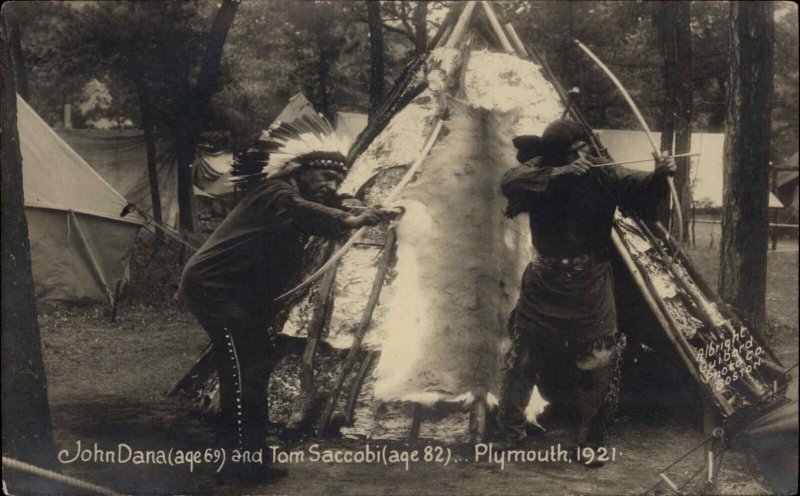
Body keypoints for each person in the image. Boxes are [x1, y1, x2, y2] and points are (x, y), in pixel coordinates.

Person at [179, 121, 387, 478]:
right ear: (297, 170)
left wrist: (349, 202)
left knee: (254, 366)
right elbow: (304, 209)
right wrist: (352, 217)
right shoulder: (276, 192)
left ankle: (244, 454)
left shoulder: (303, 196)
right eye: (322, 175)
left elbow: (328, 203)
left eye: (335, 179)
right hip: (215, 290)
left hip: (243, 295)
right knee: (243, 368)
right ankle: (239, 461)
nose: (330, 184)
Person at [497, 119, 676, 464]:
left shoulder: (601, 172)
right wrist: (561, 172)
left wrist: (659, 174)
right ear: (555, 154)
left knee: (598, 361)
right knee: (525, 356)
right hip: (545, 278)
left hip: (590, 279)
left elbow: (639, 190)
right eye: (572, 152)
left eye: (584, 148)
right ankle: (510, 432)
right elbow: (509, 181)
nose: (583, 156)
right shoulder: (539, 170)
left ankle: (590, 441)